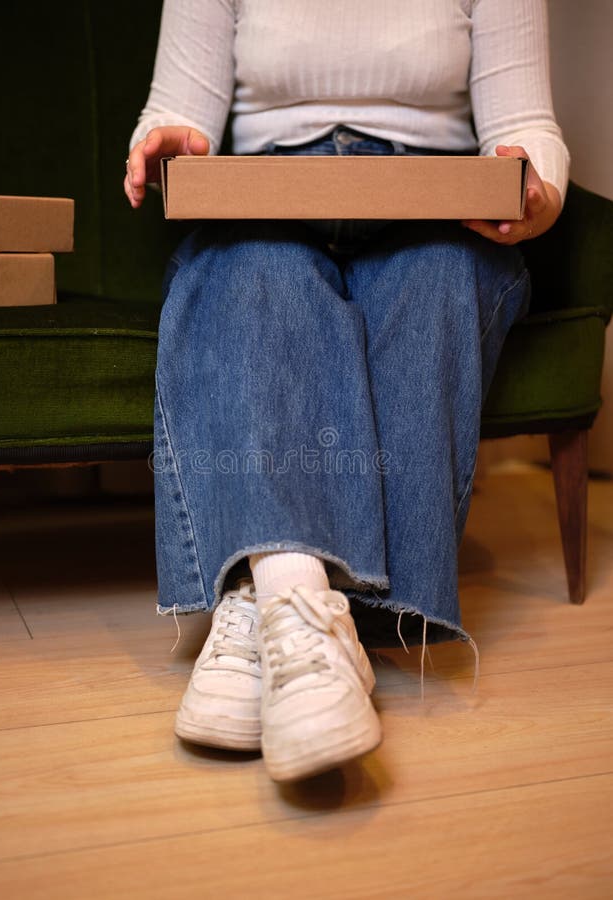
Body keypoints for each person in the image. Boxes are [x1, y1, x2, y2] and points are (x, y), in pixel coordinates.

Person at [125, 0, 568, 783]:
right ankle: (296, 610)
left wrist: (533, 188)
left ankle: (261, 600)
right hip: (265, 201)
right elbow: (176, 111)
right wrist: (166, 145)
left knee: (433, 282)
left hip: (436, 209)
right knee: (248, 271)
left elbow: (528, 123)